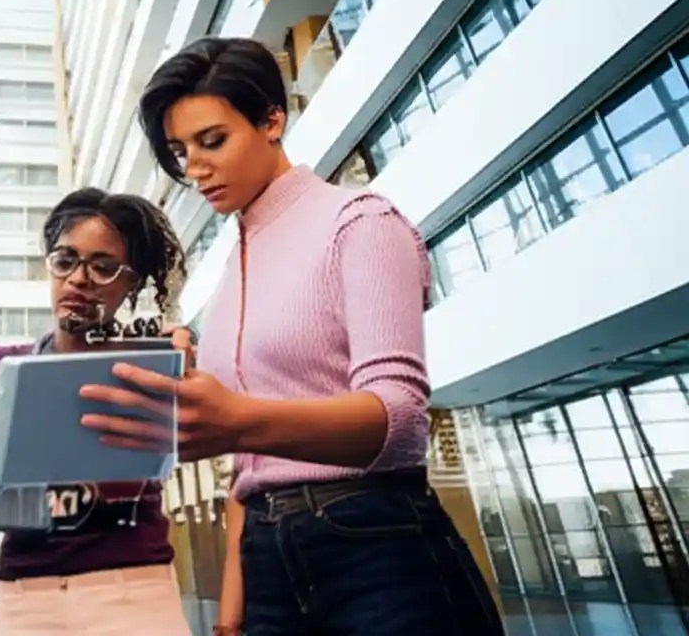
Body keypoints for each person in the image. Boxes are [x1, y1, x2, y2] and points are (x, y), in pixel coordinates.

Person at [77, 37, 503, 635]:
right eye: (180, 151)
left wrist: (237, 420)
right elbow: (247, 461)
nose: (194, 168)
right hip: (265, 552)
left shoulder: (359, 222)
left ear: (272, 120)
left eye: (213, 140)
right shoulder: (230, 273)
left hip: (373, 539)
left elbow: (403, 419)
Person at [0, 188, 193, 635]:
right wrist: (18, 393)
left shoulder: (145, 365)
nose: (79, 279)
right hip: (27, 598)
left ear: (131, 283)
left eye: (103, 268)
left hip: (133, 589)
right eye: (65, 261)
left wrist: (180, 373)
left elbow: (136, 481)